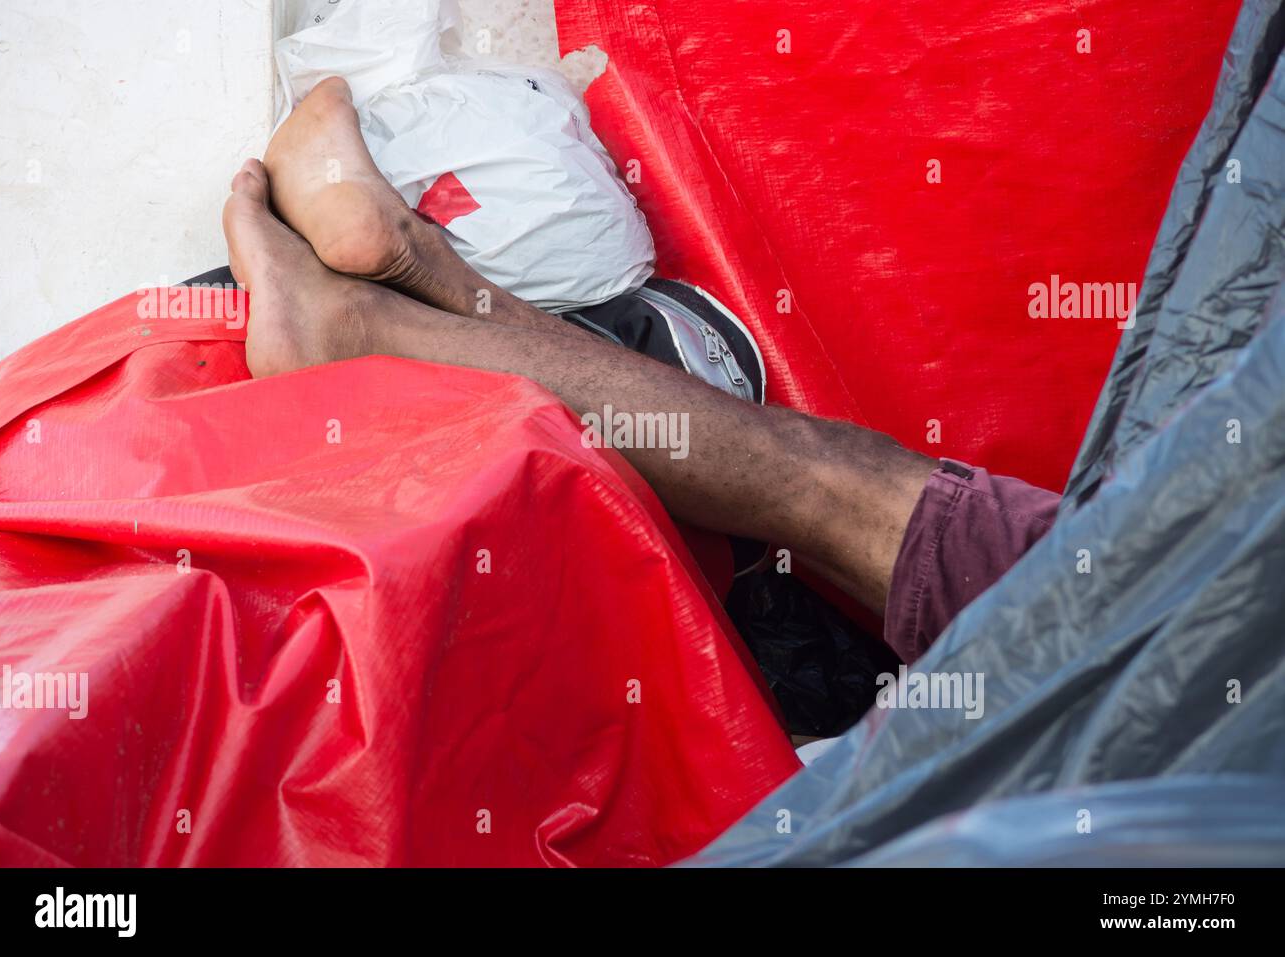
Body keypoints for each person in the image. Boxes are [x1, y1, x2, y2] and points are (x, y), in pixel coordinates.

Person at [224, 76, 1060, 665]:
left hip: (1145, 666)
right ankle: (425, 283)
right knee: (829, 522)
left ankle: (371, 319)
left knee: (828, 484)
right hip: (1129, 700)